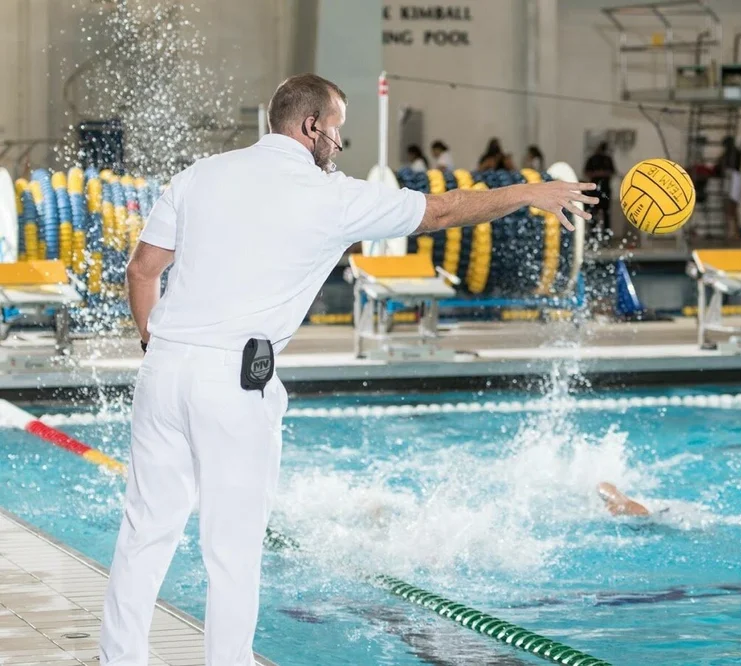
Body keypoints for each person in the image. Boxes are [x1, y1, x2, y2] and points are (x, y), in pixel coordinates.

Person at [100, 72, 597, 666]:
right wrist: (526, 192)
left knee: (144, 531)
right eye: (337, 130)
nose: (338, 144)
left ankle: (118, 659)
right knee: (231, 549)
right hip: (231, 383)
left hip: (162, 369)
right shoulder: (332, 197)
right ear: (311, 126)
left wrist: (155, 343)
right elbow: (442, 211)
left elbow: (142, 270)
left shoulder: (200, 175)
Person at [716, 136, 741, 242]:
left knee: (732, 208)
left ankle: (736, 233)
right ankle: (731, 232)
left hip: (734, 178)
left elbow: (723, 164)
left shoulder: (734, 153)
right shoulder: (729, 154)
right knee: (729, 208)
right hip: (731, 178)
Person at [584, 142, 617, 244]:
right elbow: (587, 172)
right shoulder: (592, 159)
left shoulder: (608, 159)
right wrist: (600, 173)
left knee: (606, 215)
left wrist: (600, 173)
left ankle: (607, 238)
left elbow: (612, 172)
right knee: (593, 214)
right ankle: (593, 237)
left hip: (605, 190)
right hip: (594, 190)